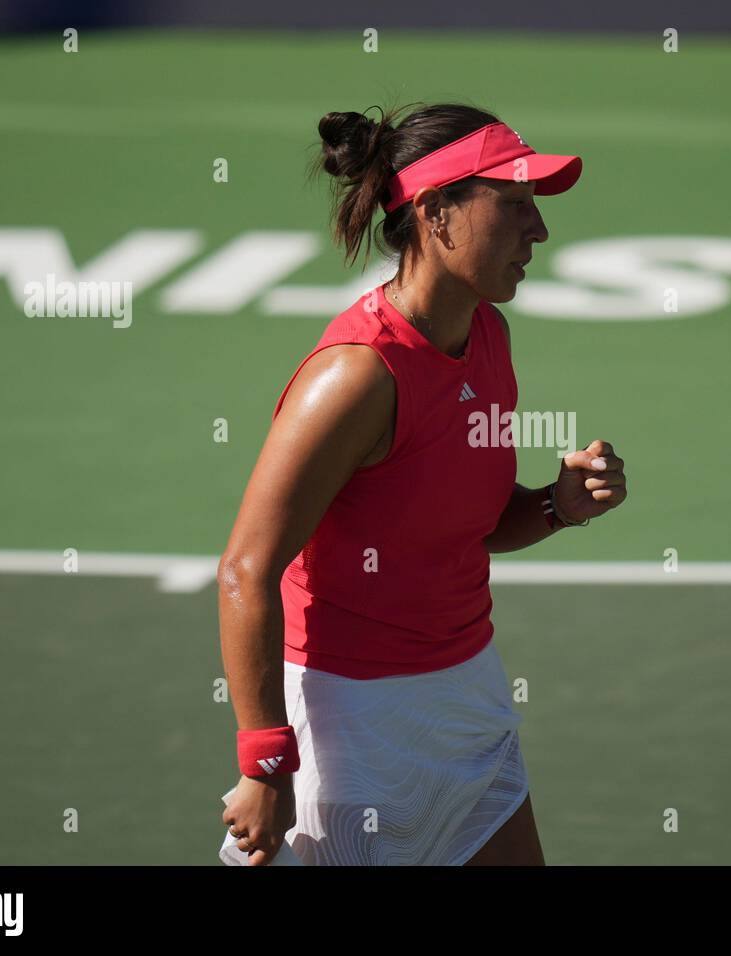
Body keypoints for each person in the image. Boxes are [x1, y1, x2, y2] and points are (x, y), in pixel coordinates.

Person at [217, 102, 628, 865]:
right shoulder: (355, 377)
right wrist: (266, 761)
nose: (538, 231)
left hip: (465, 695)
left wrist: (553, 506)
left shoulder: (487, 336)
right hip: (354, 724)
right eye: (513, 207)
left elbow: (466, 524)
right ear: (437, 214)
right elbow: (247, 568)